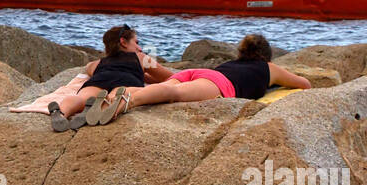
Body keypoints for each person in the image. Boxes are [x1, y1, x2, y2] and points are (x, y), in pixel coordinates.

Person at [95, 33, 312, 124]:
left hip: (199, 72)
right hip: (218, 83)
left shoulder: (232, 64)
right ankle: (127, 102)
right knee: (174, 94)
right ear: (265, 56)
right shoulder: (268, 67)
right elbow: (304, 85)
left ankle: (109, 99)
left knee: (171, 86)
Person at [48, 24, 172, 131]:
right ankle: (102, 108)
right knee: (115, 97)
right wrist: (142, 75)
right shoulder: (140, 57)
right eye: (136, 43)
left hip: (100, 78)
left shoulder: (97, 63)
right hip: (128, 80)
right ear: (123, 42)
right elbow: (169, 77)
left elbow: (91, 71)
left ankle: (62, 112)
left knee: (81, 98)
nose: (139, 48)